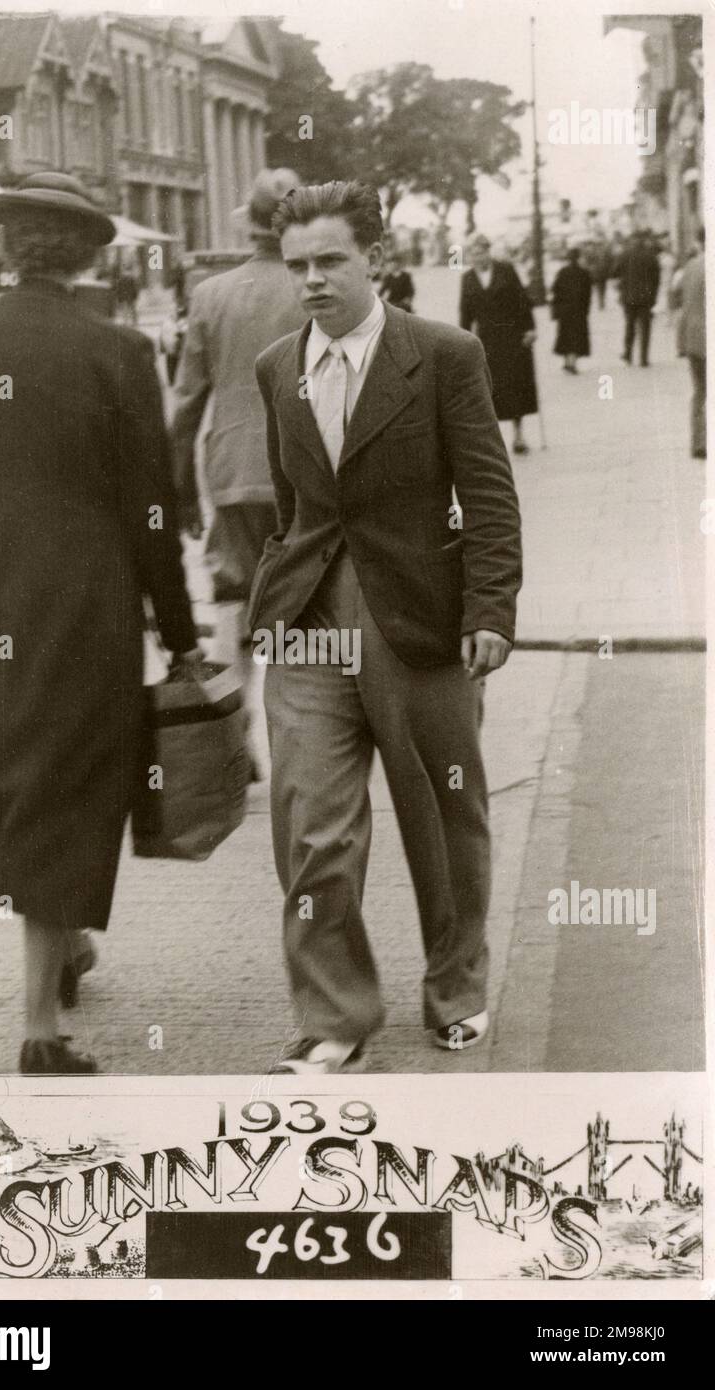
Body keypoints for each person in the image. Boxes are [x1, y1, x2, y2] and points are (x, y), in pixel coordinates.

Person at [0, 172, 200, 1075]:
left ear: (6, 246)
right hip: (80, 590)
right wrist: (181, 629)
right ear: (87, 254)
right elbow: (152, 507)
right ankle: (41, 1025)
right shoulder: (117, 353)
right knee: (67, 774)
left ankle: (62, 946)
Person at [251, 181, 522, 1074]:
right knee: (312, 822)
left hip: (418, 619)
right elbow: (293, 506)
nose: (313, 282)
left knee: (443, 814)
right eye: (298, 267)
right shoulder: (275, 367)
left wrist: (489, 607)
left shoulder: (443, 355)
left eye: (331, 261)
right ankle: (334, 1016)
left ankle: (455, 989)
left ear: (375, 258)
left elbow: (486, 489)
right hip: (309, 625)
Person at [171, 169, 306, 708]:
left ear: (249, 229)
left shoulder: (209, 295)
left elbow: (186, 404)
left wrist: (179, 486)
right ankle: (300, 732)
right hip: (307, 474)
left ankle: (231, 730)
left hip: (231, 471)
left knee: (231, 593)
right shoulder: (317, 290)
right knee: (306, 601)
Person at [459, 232, 538, 454]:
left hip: (511, 337)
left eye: (481, 252)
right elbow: (465, 314)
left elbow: (522, 301)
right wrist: (462, 342)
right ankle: (493, 441)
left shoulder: (506, 270)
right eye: (473, 254)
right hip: (486, 341)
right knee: (488, 389)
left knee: (514, 386)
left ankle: (519, 435)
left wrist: (530, 329)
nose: (478, 257)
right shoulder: (467, 279)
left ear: (488, 251)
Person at [678, 227, 706, 459]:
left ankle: (699, 442)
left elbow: (684, 305)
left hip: (693, 338)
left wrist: (681, 341)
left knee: (700, 391)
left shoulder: (690, 267)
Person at [617, 229, 661, 367]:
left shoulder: (625, 255)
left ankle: (628, 354)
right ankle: (644, 358)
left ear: (632, 241)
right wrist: (654, 296)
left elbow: (614, 272)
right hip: (646, 298)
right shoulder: (651, 256)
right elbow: (656, 279)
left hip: (629, 298)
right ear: (643, 241)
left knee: (630, 326)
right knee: (645, 328)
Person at [550, 246, 592, 373]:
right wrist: (586, 309)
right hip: (578, 310)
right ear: (578, 258)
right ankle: (572, 364)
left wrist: (556, 308)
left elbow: (555, 290)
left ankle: (567, 362)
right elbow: (587, 294)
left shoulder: (562, 272)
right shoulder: (584, 273)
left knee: (565, 336)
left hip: (564, 310)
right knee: (576, 337)